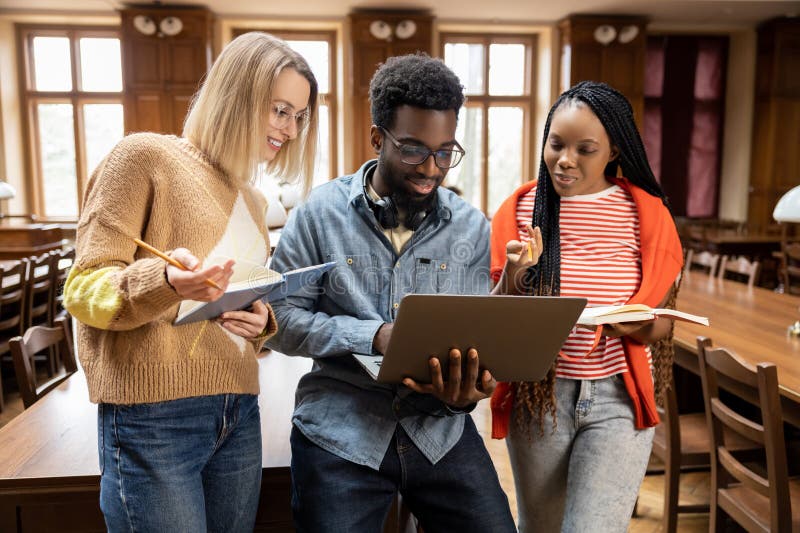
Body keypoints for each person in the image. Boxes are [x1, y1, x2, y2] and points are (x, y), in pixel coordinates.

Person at [62, 32, 319, 532]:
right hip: (153, 417)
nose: (289, 129)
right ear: (236, 95)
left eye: (298, 116)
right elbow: (83, 290)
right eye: (279, 110)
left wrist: (259, 322)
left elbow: (227, 305)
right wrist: (166, 281)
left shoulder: (252, 197)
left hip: (239, 412)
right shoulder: (142, 157)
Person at [266, 54, 515, 532]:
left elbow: (474, 339)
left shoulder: (470, 226)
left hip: (438, 429)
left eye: (445, 152)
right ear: (378, 137)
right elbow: (278, 321)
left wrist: (466, 394)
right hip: (340, 427)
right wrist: (375, 335)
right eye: (414, 150)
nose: (431, 169)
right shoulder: (318, 214)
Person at [490, 81, 683, 532]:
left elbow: (663, 327)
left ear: (614, 151)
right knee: (540, 527)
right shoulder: (519, 210)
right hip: (541, 397)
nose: (565, 159)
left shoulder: (647, 213)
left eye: (586, 149)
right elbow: (501, 317)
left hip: (620, 397)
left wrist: (634, 326)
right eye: (556, 144)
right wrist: (518, 276)